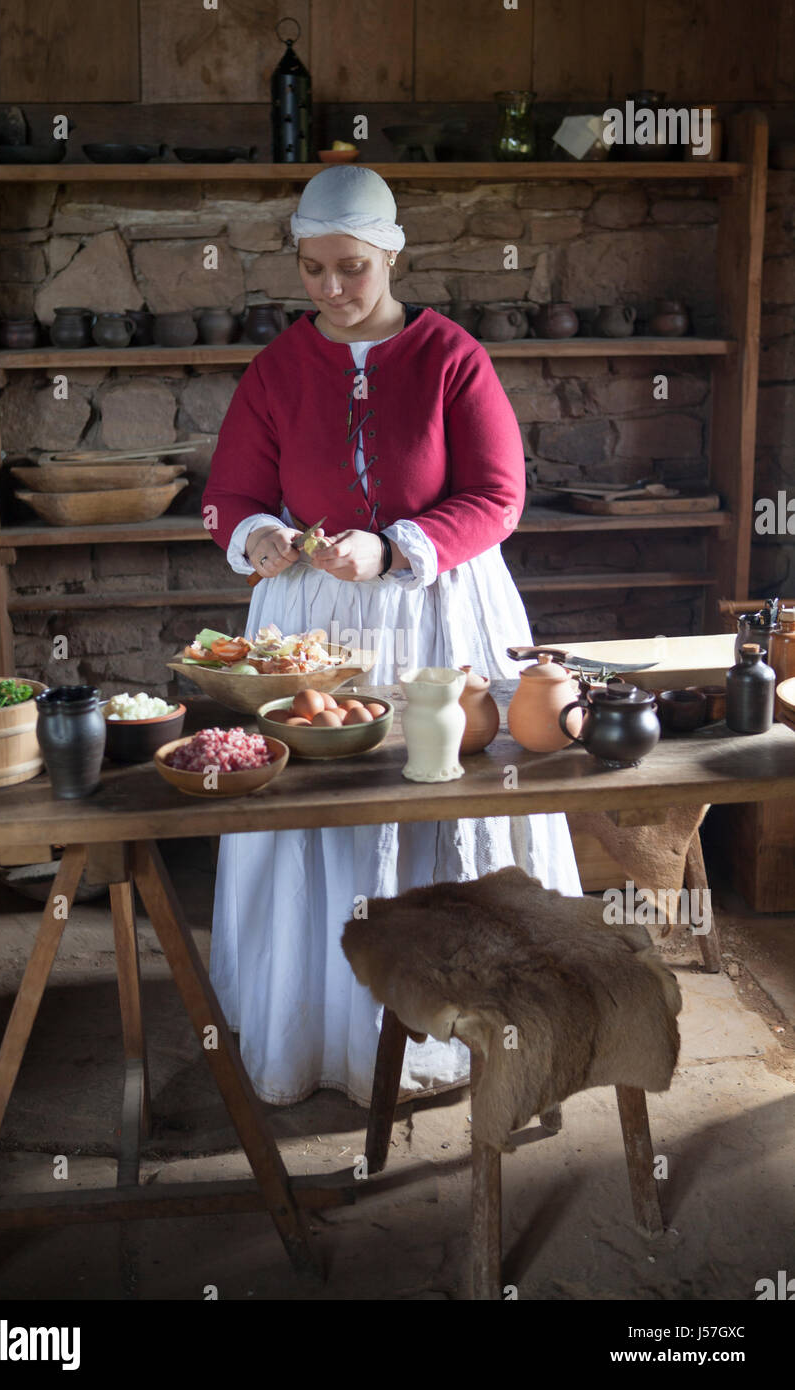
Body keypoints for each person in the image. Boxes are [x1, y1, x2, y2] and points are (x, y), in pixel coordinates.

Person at [202, 165, 581, 1108]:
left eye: (353, 268)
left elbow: (499, 497)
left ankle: (462, 1027)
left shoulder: (452, 357)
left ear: (394, 255)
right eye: (313, 269)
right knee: (323, 816)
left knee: (436, 795)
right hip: (310, 621)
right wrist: (260, 537)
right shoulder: (276, 370)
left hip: (435, 609)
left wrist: (398, 549)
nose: (332, 289)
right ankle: (325, 1030)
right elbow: (229, 497)